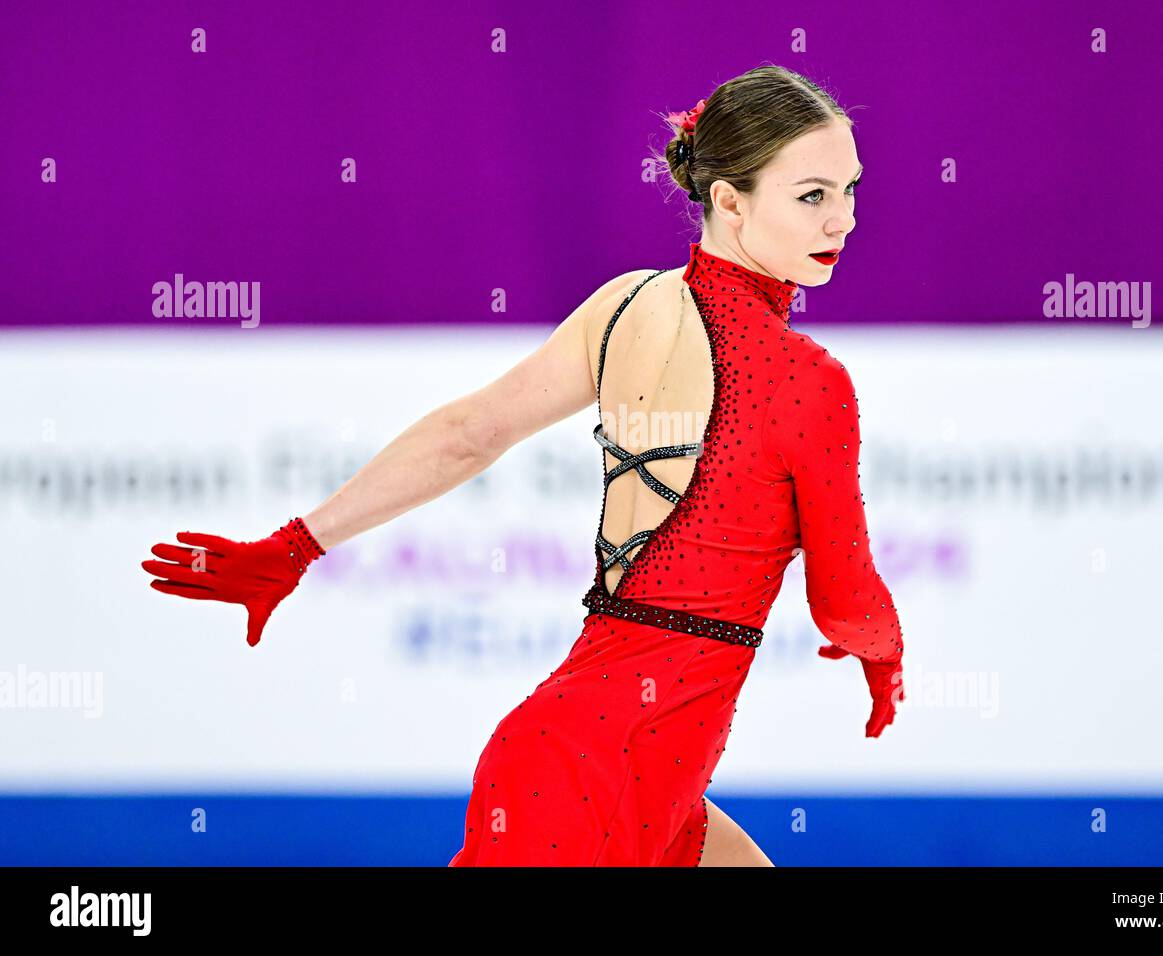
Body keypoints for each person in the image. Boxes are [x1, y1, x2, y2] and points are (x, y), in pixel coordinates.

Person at [140, 64, 904, 867]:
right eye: (812, 195)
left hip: (624, 779)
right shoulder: (810, 381)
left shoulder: (623, 308)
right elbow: (844, 598)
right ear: (730, 200)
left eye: (850, 189)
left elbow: (471, 432)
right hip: (589, 785)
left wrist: (298, 546)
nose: (843, 219)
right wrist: (884, 657)